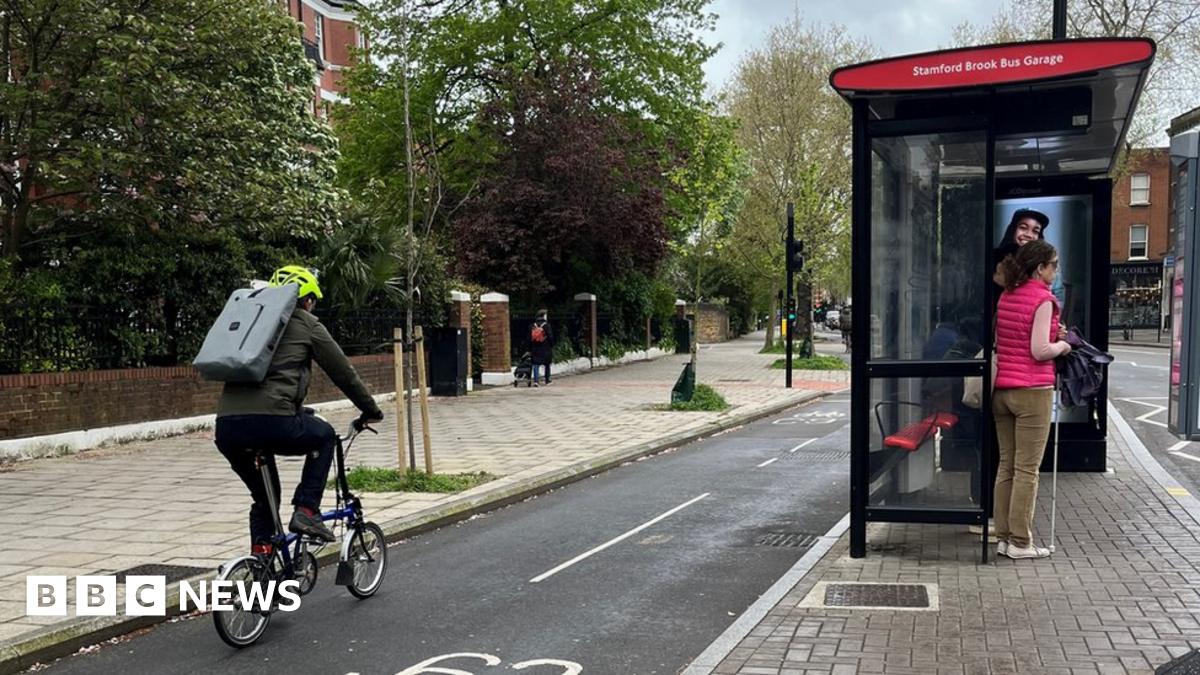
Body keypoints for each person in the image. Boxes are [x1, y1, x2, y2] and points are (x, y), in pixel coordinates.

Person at [214, 266, 384, 553]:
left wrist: (298, 409)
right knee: (325, 436)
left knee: (265, 497)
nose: (312, 306)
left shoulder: (254, 322)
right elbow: (343, 372)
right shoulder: (306, 323)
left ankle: (261, 560)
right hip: (272, 421)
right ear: (305, 300)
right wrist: (370, 410)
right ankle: (307, 510)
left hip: (228, 427)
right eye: (312, 301)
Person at [992, 241, 1071, 559]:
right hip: (1032, 392)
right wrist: (1063, 347)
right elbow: (1039, 351)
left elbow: (1008, 339)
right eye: (1053, 264)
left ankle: (1003, 536)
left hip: (1003, 390)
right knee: (1027, 470)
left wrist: (1054, 334)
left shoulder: (1008, 294)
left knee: (1006, 466)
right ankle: (1021, 543)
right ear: (1040, 268)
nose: (1056, 269)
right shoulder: (1043, 300)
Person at [529, 309, 553, 387]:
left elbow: (529, 337)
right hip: (545, 347)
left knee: (536, 364)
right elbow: (550, 336)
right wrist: (551, 345)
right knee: (547, 364)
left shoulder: (533, 325)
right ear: (543, 316)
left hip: (535, 348)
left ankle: (536, 381)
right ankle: (547, 380)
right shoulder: (546, 325)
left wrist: (530, 347)